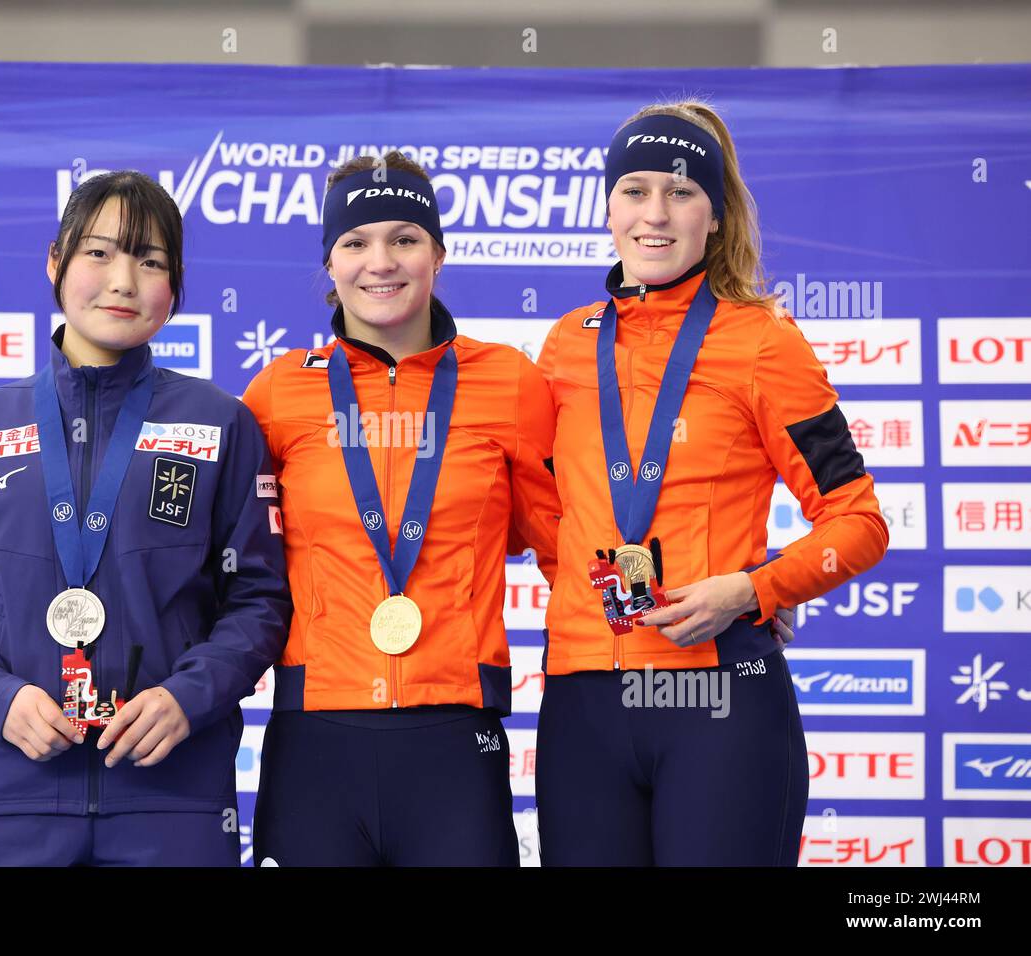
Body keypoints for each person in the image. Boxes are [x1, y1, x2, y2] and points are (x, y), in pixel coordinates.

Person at [0, 170, 291, 866]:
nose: (123, 281)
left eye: (150, 261)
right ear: (56, 262)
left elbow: (260, 599)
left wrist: (188, 698)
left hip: (175, 795)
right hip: (9, 793)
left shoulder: (220, 424)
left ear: (176, 284)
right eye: (99, 253)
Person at [534, 102, 888, 866]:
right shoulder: (564, 345)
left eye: (682, 191)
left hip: (720, 697)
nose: (655, 214)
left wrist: (754, 589)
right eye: (634, 190)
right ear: (607, 208)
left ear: (717, 216)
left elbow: (858, 521)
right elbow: (546, 513)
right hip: (582, 699)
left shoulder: (764, 341)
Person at [242, 151, 561, 866]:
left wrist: (727, 592)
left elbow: (568, 543)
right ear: (330, 263)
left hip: (456, 738)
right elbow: (230, 561)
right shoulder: (278, 393)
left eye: (405, 239)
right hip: (315, 738)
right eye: (355, 242)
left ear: (438, 255)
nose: (380, 262)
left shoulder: (510, 382)